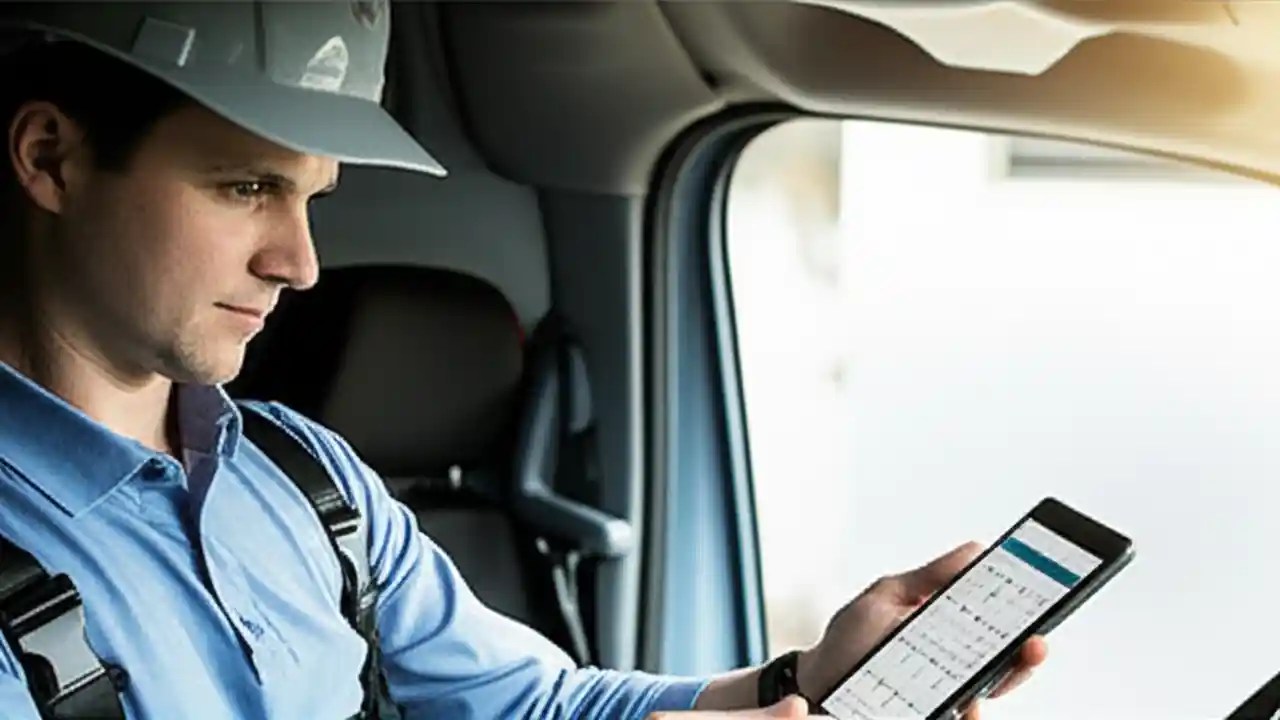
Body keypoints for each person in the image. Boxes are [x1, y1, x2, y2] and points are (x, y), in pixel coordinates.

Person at [0, 3, 1046, 718]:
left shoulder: (305, 478)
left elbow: (538, 705)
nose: (300, 262)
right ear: (52, 158)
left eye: (310, 197)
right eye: (243, 189)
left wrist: (806, 673)